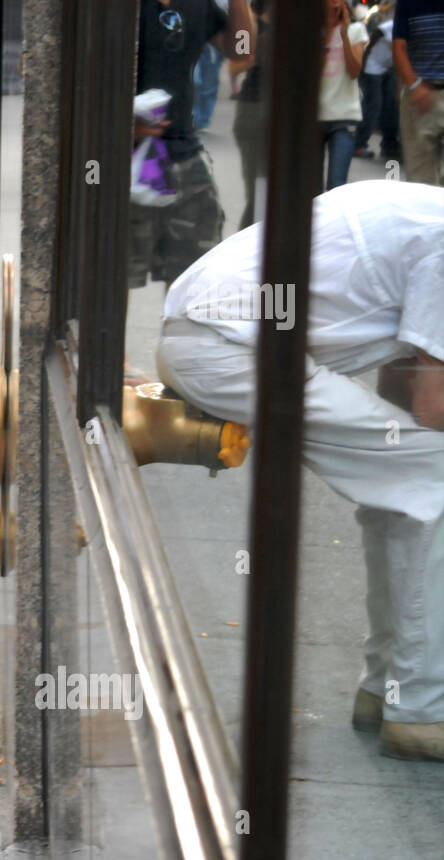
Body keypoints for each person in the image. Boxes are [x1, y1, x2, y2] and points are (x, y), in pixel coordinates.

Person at [155, 180, 444, 762]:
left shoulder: (421, 213)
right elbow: (435, 406)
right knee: (435, 476)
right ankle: (420, 707)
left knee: (405, 481)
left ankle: (387, 691)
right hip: (231, 350)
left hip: (213, 340)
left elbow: (405, 395)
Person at [129, 0, 255, 290]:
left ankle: (179, 334)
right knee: (107, 283)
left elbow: (242, 48)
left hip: (182, 152)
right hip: (114, 153)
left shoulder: (198, 5)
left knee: (194, 276)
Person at [317, 0, 368, 190]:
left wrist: (344, 34)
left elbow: (354, 71)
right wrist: (328, 33)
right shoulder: (313, 31)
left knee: (337, 186)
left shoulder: (356, 30)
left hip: (345, 115)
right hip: (317, 115)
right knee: (312, 190)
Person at [394, 0, 444, 184]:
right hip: (420, 95)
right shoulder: (408, 3)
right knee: (421, 182)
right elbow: (398, 47)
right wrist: (414, 86)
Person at [231, 0, 270, 231]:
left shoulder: (297, 29)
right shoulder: (252, 27)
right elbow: (235, 67)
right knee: (258, 191)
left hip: (280, 115)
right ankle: (244, 246)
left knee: (273, 190)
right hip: (253, 112)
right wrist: (254, 54)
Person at [354, 1, 402, 162]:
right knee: (374, 106)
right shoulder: (392, 25)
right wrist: (363, 63)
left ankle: (389, 145)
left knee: (390, 107)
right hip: (371, 68)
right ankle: (358, 144)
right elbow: (374, 37)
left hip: (387, 69)